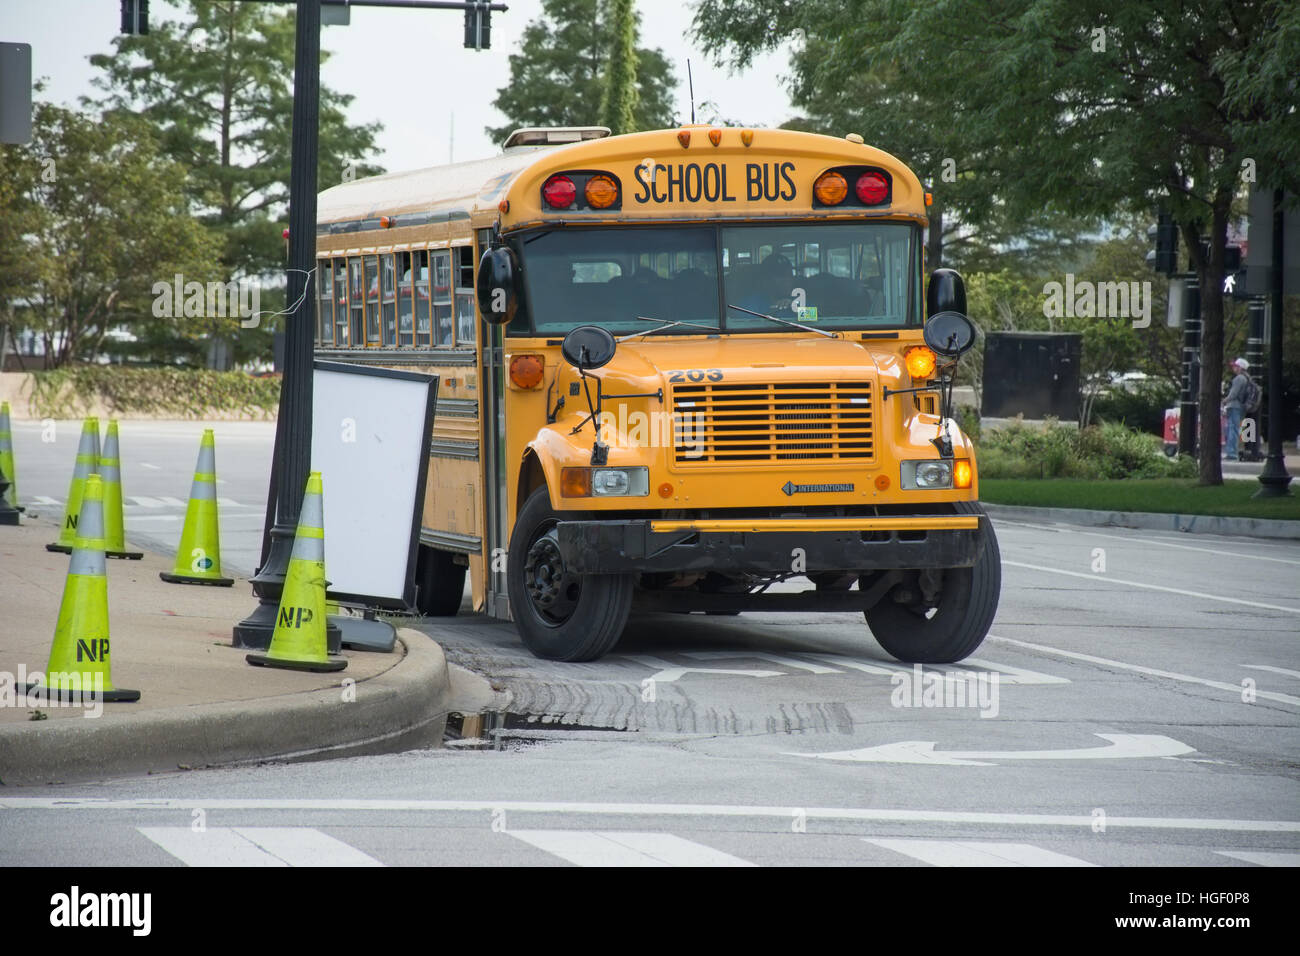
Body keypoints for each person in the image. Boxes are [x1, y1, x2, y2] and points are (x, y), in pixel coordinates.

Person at [1222, 357, 1253, 460]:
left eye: (1235, 366)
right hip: (1240, 407)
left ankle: (1231, 453)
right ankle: (1232, 451)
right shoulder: (1246, 378)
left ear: (1240, 368)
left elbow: (1233, 394)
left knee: (1232, 429)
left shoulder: (1239, 378)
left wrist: (1224, 400)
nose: (1233, 368)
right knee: (1234, 429)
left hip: (1234, 406)